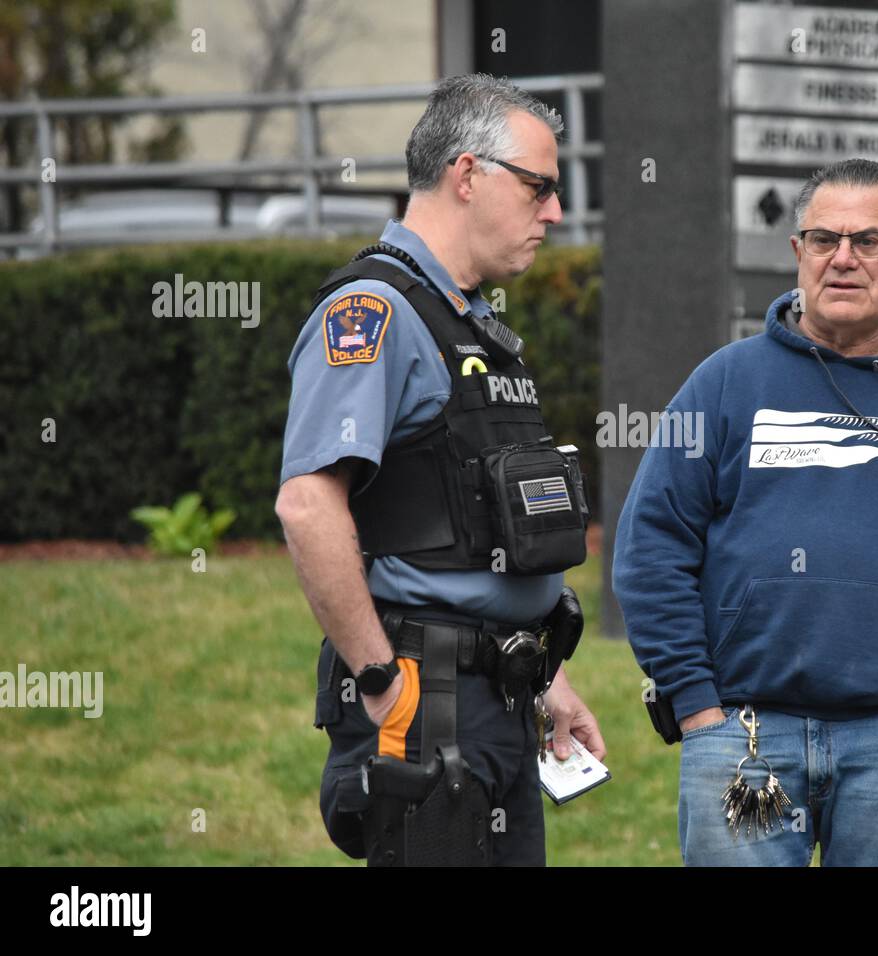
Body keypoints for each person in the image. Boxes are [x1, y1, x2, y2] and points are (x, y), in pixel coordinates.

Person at [612, 158, 878, 866]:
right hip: (741, 735)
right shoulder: (724, 383)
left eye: (868, 241)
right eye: (822, 239)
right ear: (796, 253)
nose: (842, 259)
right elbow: (652, 551)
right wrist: (697, 707)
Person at [276, 73, 605, 867]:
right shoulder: (374, 313)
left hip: (496, 696)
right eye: (539, 189)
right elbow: (308, 508)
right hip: (428, 703)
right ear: (467, 175)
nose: (555, 213)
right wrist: (385, 682)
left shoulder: (472, 324)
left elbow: (477, 519)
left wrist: (542, 675)